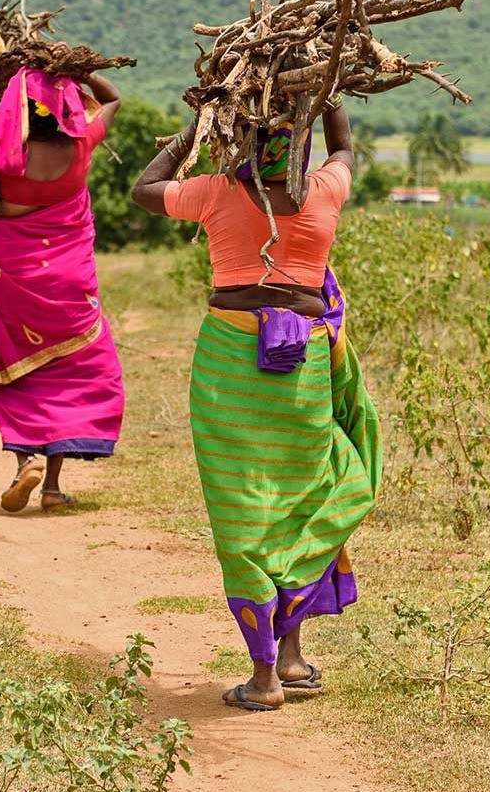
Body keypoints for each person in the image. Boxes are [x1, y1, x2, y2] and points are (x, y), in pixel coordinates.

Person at [131, 103, 380, 713]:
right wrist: (329, 95)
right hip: (305, 365)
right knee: (301, 497)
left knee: (244, 506)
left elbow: (143, 189)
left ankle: (266, 675)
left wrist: (195, 128)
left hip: (228, 364)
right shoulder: (322, 191)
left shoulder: (216, 191)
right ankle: (289, 656)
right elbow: (345, 152)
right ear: (302, 147)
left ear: (239, 139)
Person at [0, 67, 126, 513]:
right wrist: (82, 71)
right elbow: (114, 100)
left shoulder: (0, 157)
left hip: (11, 279)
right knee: (69, 375)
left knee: (18, 371)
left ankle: (26, 461)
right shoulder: (81, 145)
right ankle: (53, 487)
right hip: (69, 283)